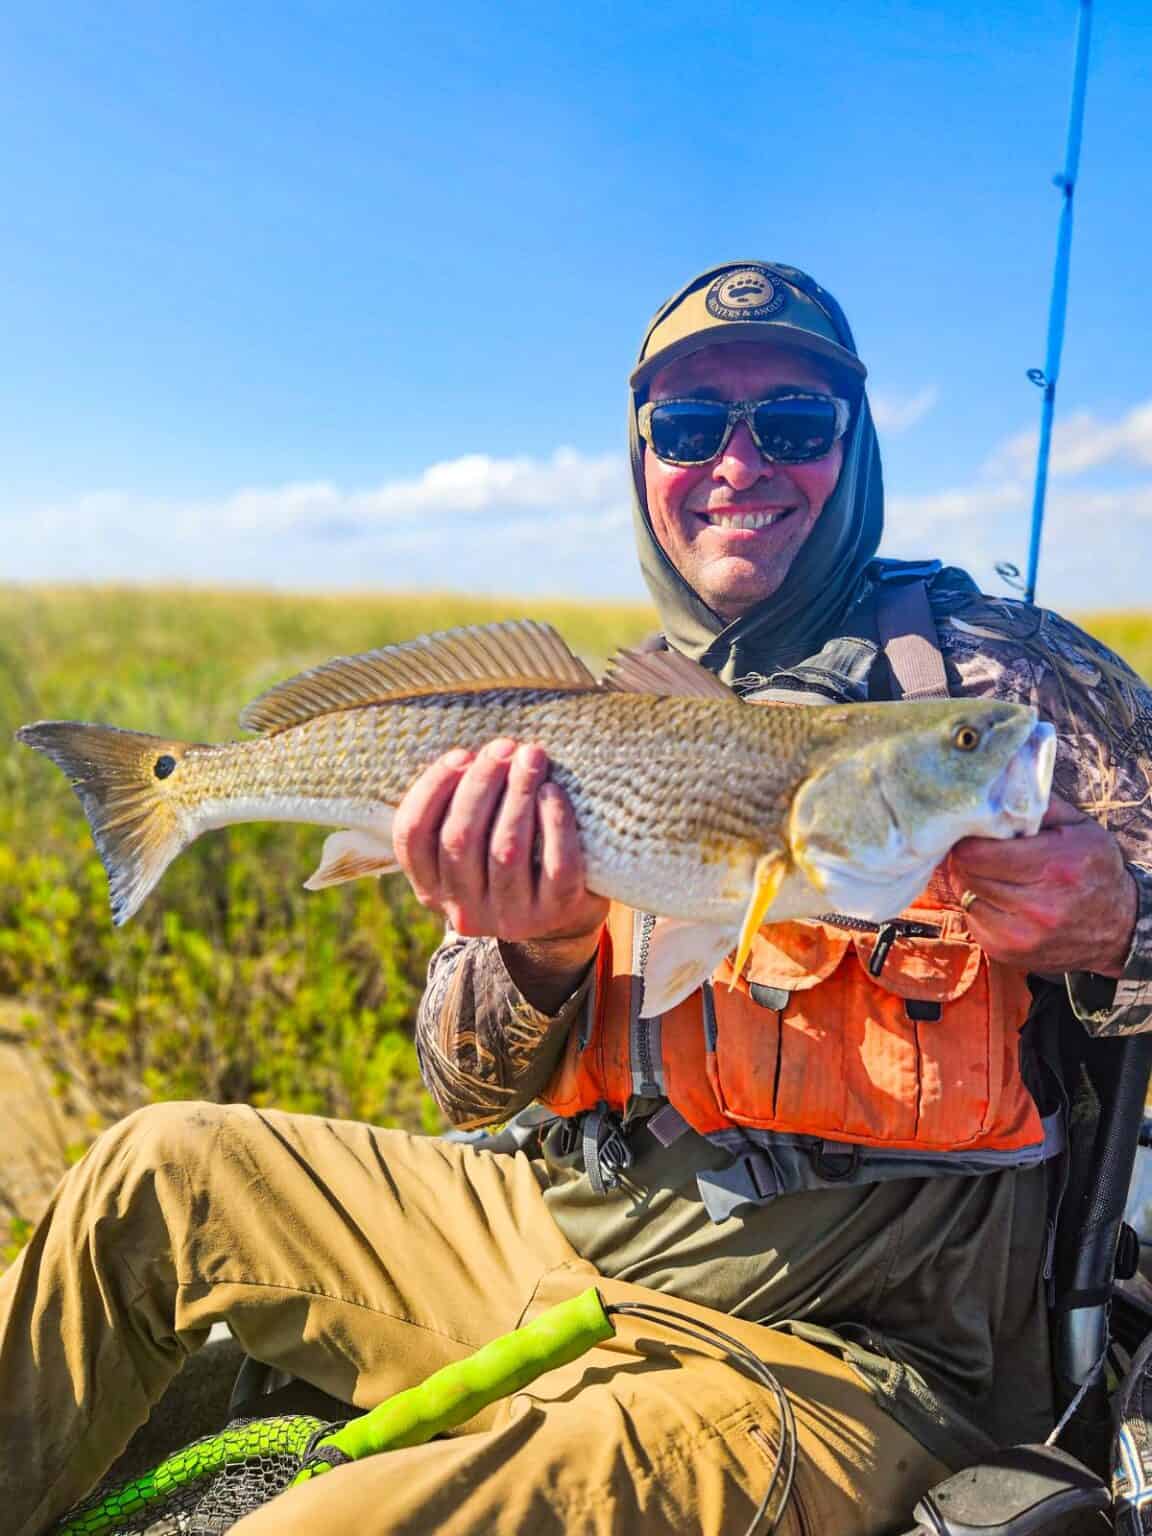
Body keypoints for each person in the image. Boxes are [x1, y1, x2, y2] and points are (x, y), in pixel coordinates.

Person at [3, 261, 1151, 1536]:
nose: (739, 463)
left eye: (794, 424)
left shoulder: (1005, 687)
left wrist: (1113, 926)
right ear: (641, 455)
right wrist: (538, 948)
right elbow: (465, 1088)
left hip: (839, 1364)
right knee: (153, 1171)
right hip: (566, 1241)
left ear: (852, 446)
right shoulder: (599, 704)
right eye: (688, 426)